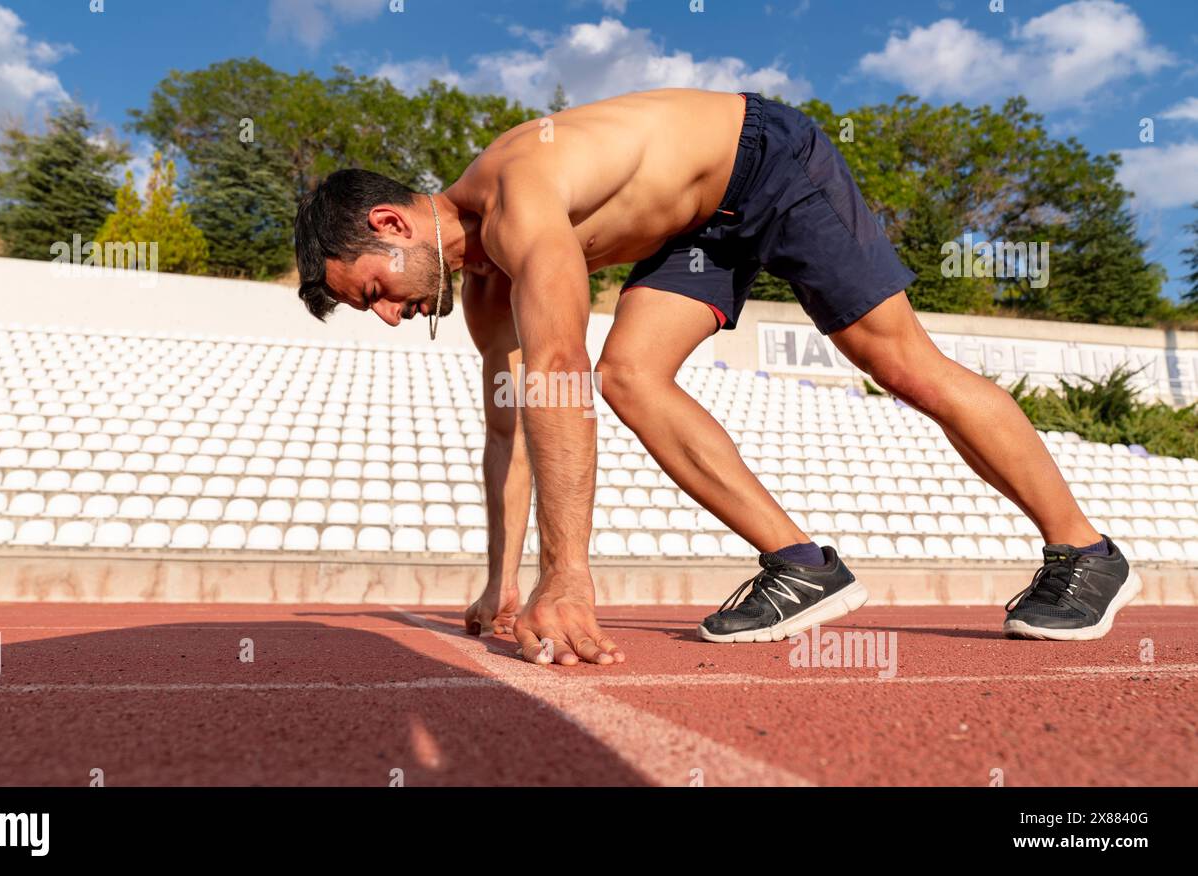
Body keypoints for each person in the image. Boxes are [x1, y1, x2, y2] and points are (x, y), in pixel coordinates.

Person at [293, 88, 1140, 665]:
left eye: (376, 291)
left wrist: (570, 575)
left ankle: (1085, 551)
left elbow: (560, 367)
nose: (393, 316)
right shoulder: (481, 290)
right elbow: (512, 427)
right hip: (698, 227)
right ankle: (801, 564)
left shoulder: (520, 196)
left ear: (391, 222)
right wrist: (501, 582)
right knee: (633, 375)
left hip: (767, 161)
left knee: (896, 361)